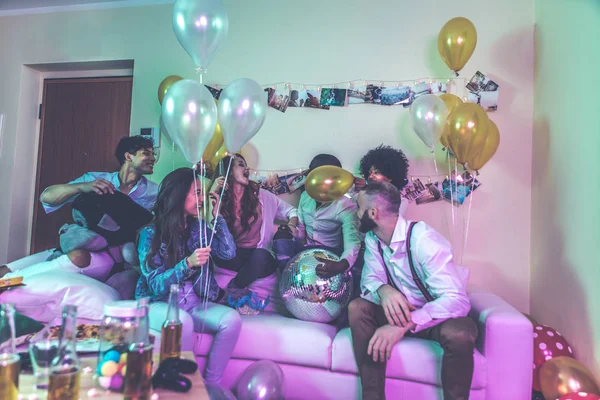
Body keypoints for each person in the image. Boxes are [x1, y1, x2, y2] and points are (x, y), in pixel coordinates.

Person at [349, 181, 477, 400]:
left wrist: (403, 325)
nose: (356, 213)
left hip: (436, 317)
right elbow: (370, 278)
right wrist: (384, 289)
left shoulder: (424, 240)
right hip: (400, 312)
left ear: (372, 212)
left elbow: (457, 300)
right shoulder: (373, 239)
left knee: (460, 333)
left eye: (358, 208)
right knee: (358, 307)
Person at [0, 136, 158, 293]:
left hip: (110, 257)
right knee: (4, 271)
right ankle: (7, 283)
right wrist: (82, 187)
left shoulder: (154, 192)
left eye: (153, 154)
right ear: (128, 156)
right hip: (78, 243)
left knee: (68, 263)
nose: (153, 159)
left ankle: (8, 285)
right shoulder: (96, 179)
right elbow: (46, 197)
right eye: (146, 153)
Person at [136, 167, 241, 384]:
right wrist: (187, 264)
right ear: (178, 194)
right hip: (158, 303)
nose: (203, 199)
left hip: (194, 303)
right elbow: (155, 284)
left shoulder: (199, 227)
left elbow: (228, 253)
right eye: (198, 193)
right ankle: (182, 383)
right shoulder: (150, 234)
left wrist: (217, 216)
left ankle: (211, 384)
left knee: (231, 319)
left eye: (204, 193)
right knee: (181, 321)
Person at [211, 154, 299, 302]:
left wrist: (291, 225)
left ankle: (234, 288)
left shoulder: (262, 196)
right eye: (240, 164)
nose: (246, 168)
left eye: (246, 164)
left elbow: (292, 211)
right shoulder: (220, 199)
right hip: (233, 256)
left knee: (261, 255)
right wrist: (214, 193)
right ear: (228, 171)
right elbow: (206, 229)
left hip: (257, 256)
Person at [294, 154, 361, 280]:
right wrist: (289, 231)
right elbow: (301, 231)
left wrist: (341, 265)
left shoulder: (346, 205)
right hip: (306, 251)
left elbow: (352, 243)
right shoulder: (304, 197)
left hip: (331, 254)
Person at [355, 144, 410, 215]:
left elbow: (383, 221)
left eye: (376, 172)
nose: (371, 176)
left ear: (390, 177)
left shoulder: (401, 201)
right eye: (369, 173)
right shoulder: (358, 194)